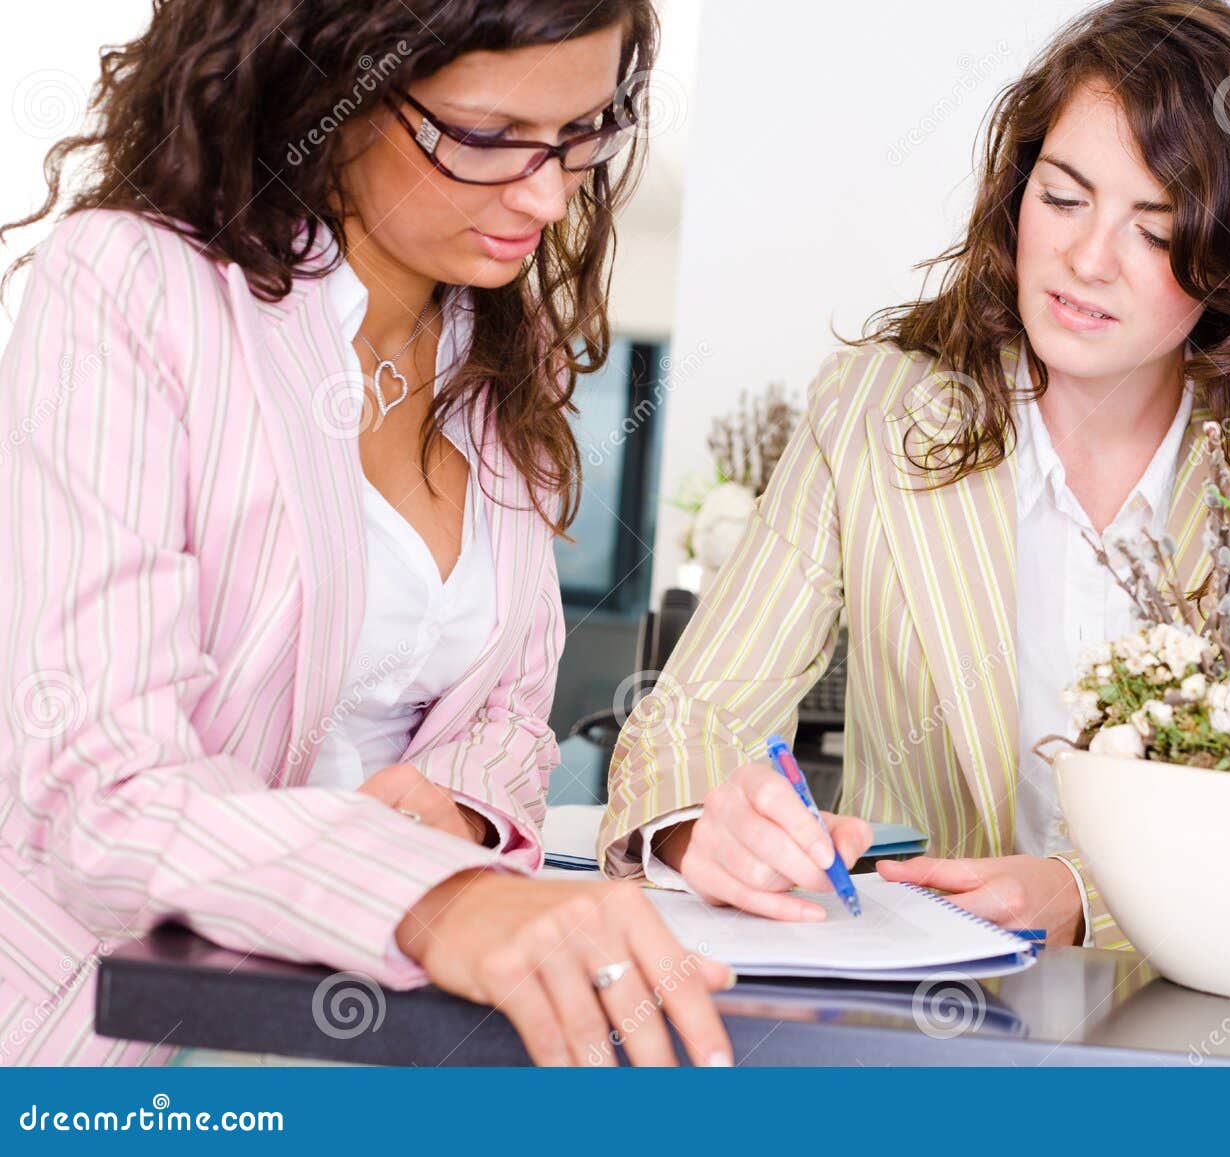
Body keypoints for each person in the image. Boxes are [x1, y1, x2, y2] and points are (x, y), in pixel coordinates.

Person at [0, 0, 730, 1068]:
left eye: (583, 131)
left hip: (380, 1029)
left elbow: (510, 726)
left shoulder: (499, 358)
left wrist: (464, 823)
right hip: (110, 1038)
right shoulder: (129, 289)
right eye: (484, 137)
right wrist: (431, 896)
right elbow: (104, 788)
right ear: (323, 85)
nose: (545, 193)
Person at [602, 0, 1230, 950]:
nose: (1087, 261)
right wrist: (699, 827)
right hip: (920, 1020)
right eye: (1062, 198)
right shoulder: (875, 409)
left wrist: (1082, 896)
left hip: (1197, 1021)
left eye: (1156, 226)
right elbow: (693, 713)